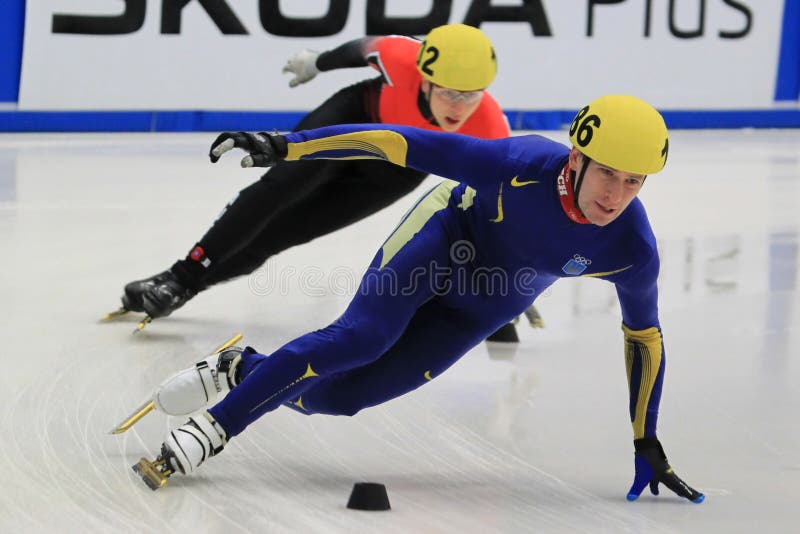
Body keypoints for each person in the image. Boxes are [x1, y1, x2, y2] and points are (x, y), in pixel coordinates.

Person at [132, 94, 704, 503]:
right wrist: (288, 145)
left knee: (341, 399)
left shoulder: (632, 248)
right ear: (577, 157)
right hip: (443, 240)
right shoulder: (520, 164)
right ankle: (215, 429)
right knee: (362, 338)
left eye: (635, 182)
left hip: (483, 305)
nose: (617, 195)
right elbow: (396, 141)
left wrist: (646, 436)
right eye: (608, 173)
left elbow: (644, 339)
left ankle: (242, 369)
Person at [112, 23, 538, 339]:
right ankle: (179, 275)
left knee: (284, 233)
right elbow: (358, 50)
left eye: (472, 94)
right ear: (424, 78)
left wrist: (512, 281)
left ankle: (183, 288)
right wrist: (316, 62)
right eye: (449, 92)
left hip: (396, 167)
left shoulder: (489, 126)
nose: (460, 106)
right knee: (279, 189)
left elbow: (504, 207)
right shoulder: (399, 55)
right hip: (353, 119)